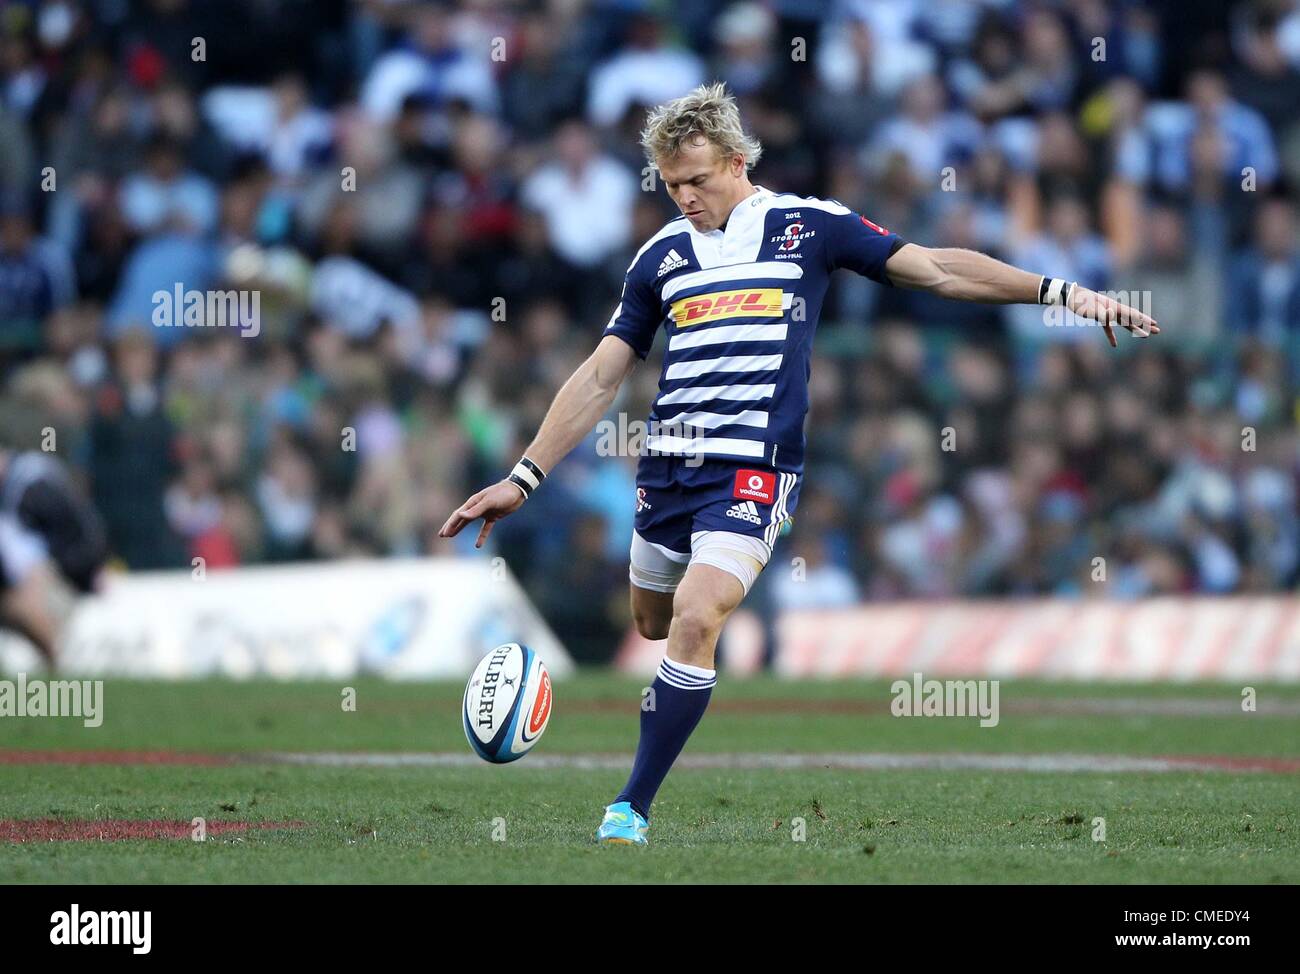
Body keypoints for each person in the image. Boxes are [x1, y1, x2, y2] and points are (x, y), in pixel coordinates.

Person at [439, 82, 1158, 846]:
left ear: (739, 160)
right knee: (651, 622)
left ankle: (629, 809)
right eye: (671, 184)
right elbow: (600, 374)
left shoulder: (810, 228)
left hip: (754, 468)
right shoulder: (660, 257)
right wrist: (522, 478)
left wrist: (1062, 292)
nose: (684, 197)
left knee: (695, 616)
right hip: (668, 471)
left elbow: (941, 270)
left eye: (698, 179)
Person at [0, 449, 108, 667]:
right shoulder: (27, 479)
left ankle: (59, 663)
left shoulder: (31, 487)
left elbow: (78, 534)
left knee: (21, 602)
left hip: (62, 579)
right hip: (55, 576)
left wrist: (86, 571)